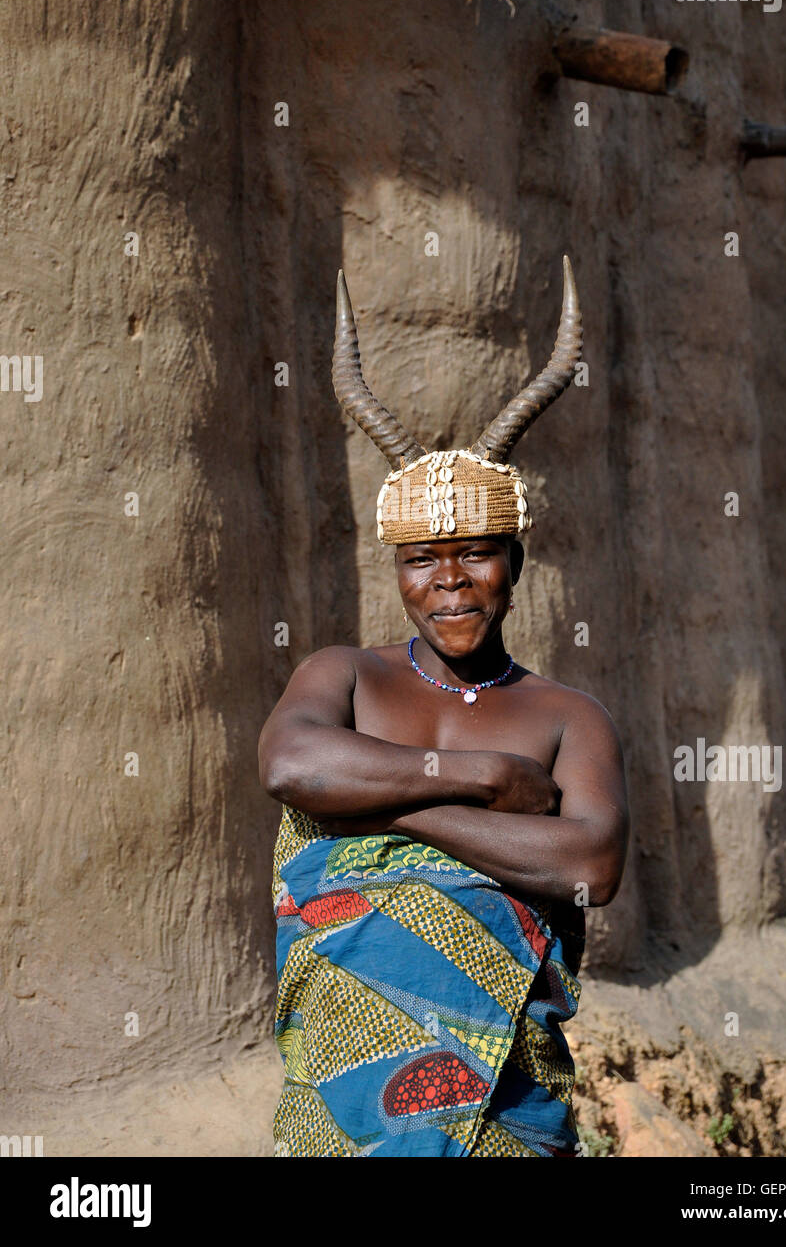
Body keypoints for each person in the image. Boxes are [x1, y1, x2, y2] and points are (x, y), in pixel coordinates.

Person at [258, 257, 629, 1157]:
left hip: (504, 1105)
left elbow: (590, 865)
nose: (451, 582)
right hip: (345, 1105)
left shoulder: (565, 714)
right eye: (423, 559)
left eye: (476, 554)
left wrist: (393, 806)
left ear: (516, 564)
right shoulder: (344, 672)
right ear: (398, 573)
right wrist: (477, 783)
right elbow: (290, 767)